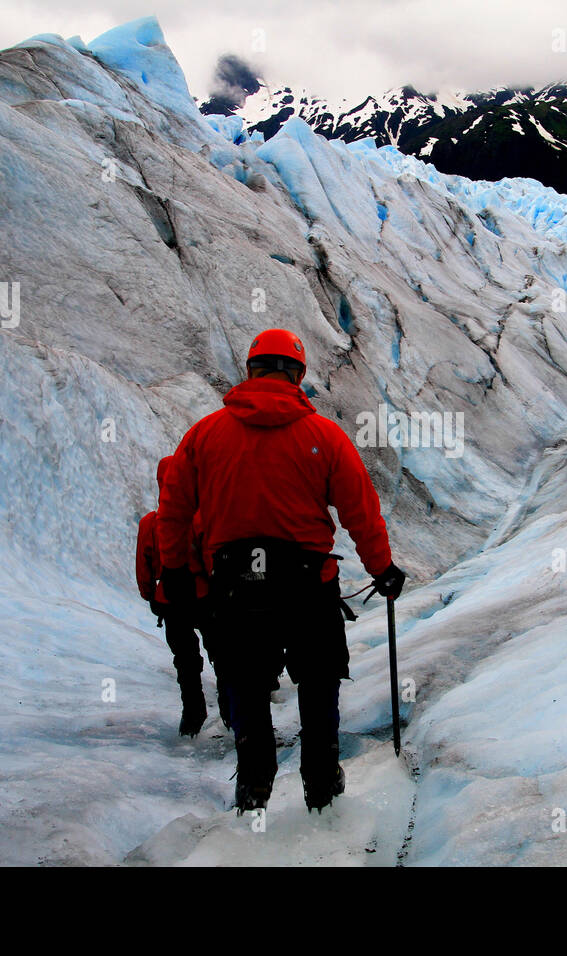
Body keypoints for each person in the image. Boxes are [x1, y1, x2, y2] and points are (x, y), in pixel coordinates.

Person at [157, 328, 406, 813]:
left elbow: (174, 509)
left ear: (250, 371)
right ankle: (321, 785)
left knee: (246, 683)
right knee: (318, 680)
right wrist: (383, 568)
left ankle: (253, 787)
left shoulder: (204, 435)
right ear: (299, 375)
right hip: (307, 585)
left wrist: (175, 572)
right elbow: (360, 510)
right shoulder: (325, 436)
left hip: (234, 588)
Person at [136, 456, 208, 737]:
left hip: (170, 599)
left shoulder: (150, 523)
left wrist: (149, 594)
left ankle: (192, 715)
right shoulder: (202, 518)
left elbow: (144, 564)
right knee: (222, 654)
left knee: (185, 661)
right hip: (205, 595)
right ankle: (231, 713)